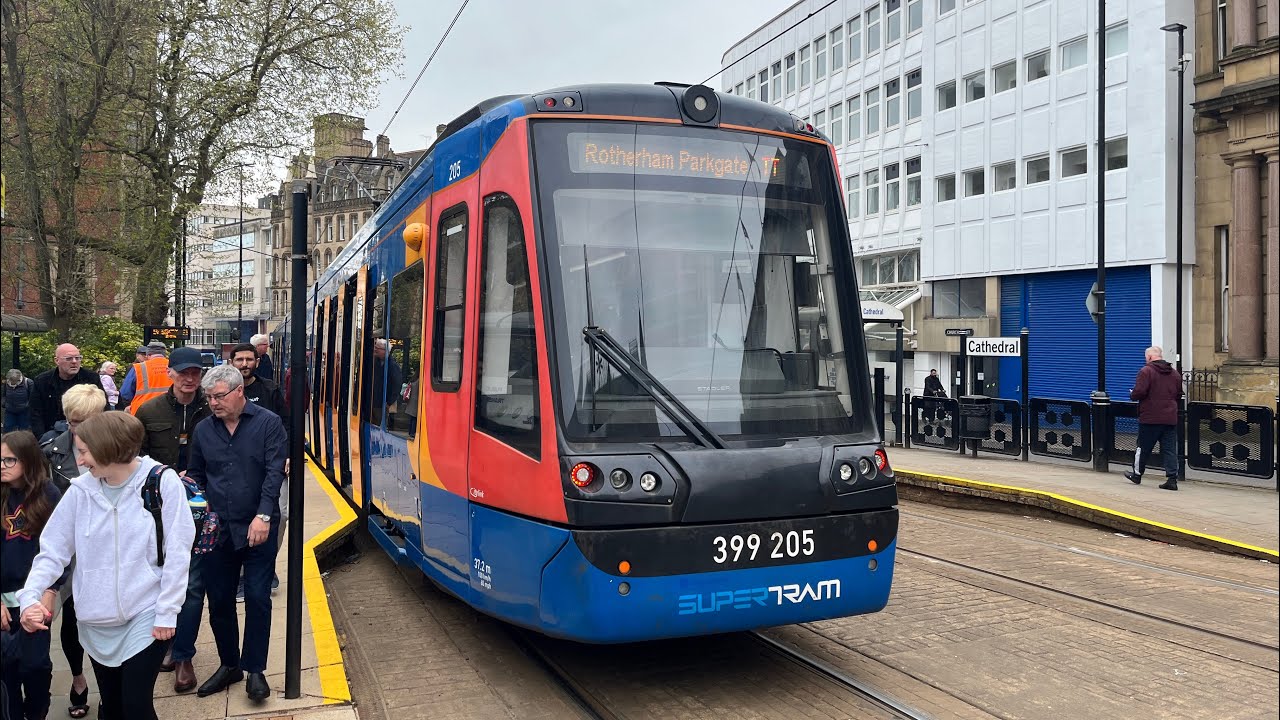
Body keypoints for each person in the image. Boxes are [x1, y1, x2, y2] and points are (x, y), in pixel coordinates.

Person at [18, 412, 194, 720]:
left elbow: (178, 552)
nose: (81, 460)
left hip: (147, 613)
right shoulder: (80, 492)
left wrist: (168, 610)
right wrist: (29, 597)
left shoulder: (161, 482)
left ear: (108, 448)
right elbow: (52, 551)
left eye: (84, 451)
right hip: (96, 621)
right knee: (111, 707)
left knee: (136, 707)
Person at [186, 365, 285, 701]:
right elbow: (196, 473)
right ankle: (230, 664)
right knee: (220, 601)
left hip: (258, 525)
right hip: (218, 530)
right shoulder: (203, 430)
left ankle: (255, 669)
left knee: (258, 597)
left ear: (239, 391)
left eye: (219, 396)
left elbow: (274, 473)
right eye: (209, 397)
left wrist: (263, 515)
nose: (213, 402)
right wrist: (198, 505)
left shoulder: (269, 424)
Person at [136, 346, 210, 692]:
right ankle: (164, 639)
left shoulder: (212, 409)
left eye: (195, 372)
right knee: (159, 576)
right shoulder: (149, 411)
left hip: (200, 507)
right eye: (183, 372)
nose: (190, 378)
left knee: (193, 584)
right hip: (157, 508)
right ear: (171, 374)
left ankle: (183, 655)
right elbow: (134, 459)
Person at [40, 384, 106, 718]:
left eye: (85, 420)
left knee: (106, 614)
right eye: (73, 420)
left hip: (108, 543)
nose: (77, 427)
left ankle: (109, 683)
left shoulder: (117, 447)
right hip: (71, 545)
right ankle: (79, 678)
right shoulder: (51, 451)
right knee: (73, 614)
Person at [2, 430, 64, 720]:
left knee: (35, 666)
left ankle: (37, 709)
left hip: (35, 597)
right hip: (3, 600)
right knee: (7, 670)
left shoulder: (48, 493)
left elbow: (62, 548)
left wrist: (51, 590)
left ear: (27, 460)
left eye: (9, 460)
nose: (2, 465)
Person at [1125, 346, 1184, 491]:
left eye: (1146, 358)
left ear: (1150, 357)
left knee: (1143, 447)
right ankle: (1172, 479)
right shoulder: (1175, 374)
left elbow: (1140, 392)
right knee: (1170, 449)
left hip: (1150, 417)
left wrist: (1132, 394)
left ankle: (1137, 474)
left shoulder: (1146, 371)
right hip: (1170, 418)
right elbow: (1179, 394)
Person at [29, 345, 103, 440]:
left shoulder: (92, 378)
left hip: (86, 435)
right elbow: (35, 413)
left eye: (78, 358)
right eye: (68, 358)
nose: (74, 362)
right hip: (51, 437)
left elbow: (102, 408)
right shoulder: (42, 381)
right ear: (57, 361)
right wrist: (43, 439)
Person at [123, 342, 173, 415]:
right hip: (169, 410)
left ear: (148, 355)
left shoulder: (138, 368)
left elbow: (125, 393)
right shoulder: (173, 367)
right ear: (164, 354)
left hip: (142, 412)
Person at [371, 338, 402, 427]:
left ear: (385, 351)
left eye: (378, 348)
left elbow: (397, 385)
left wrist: (389, 402)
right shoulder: (374, 362)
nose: (375, 350)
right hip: (372, 402)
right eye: (375, 347)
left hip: (381, 404)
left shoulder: (392, 366)